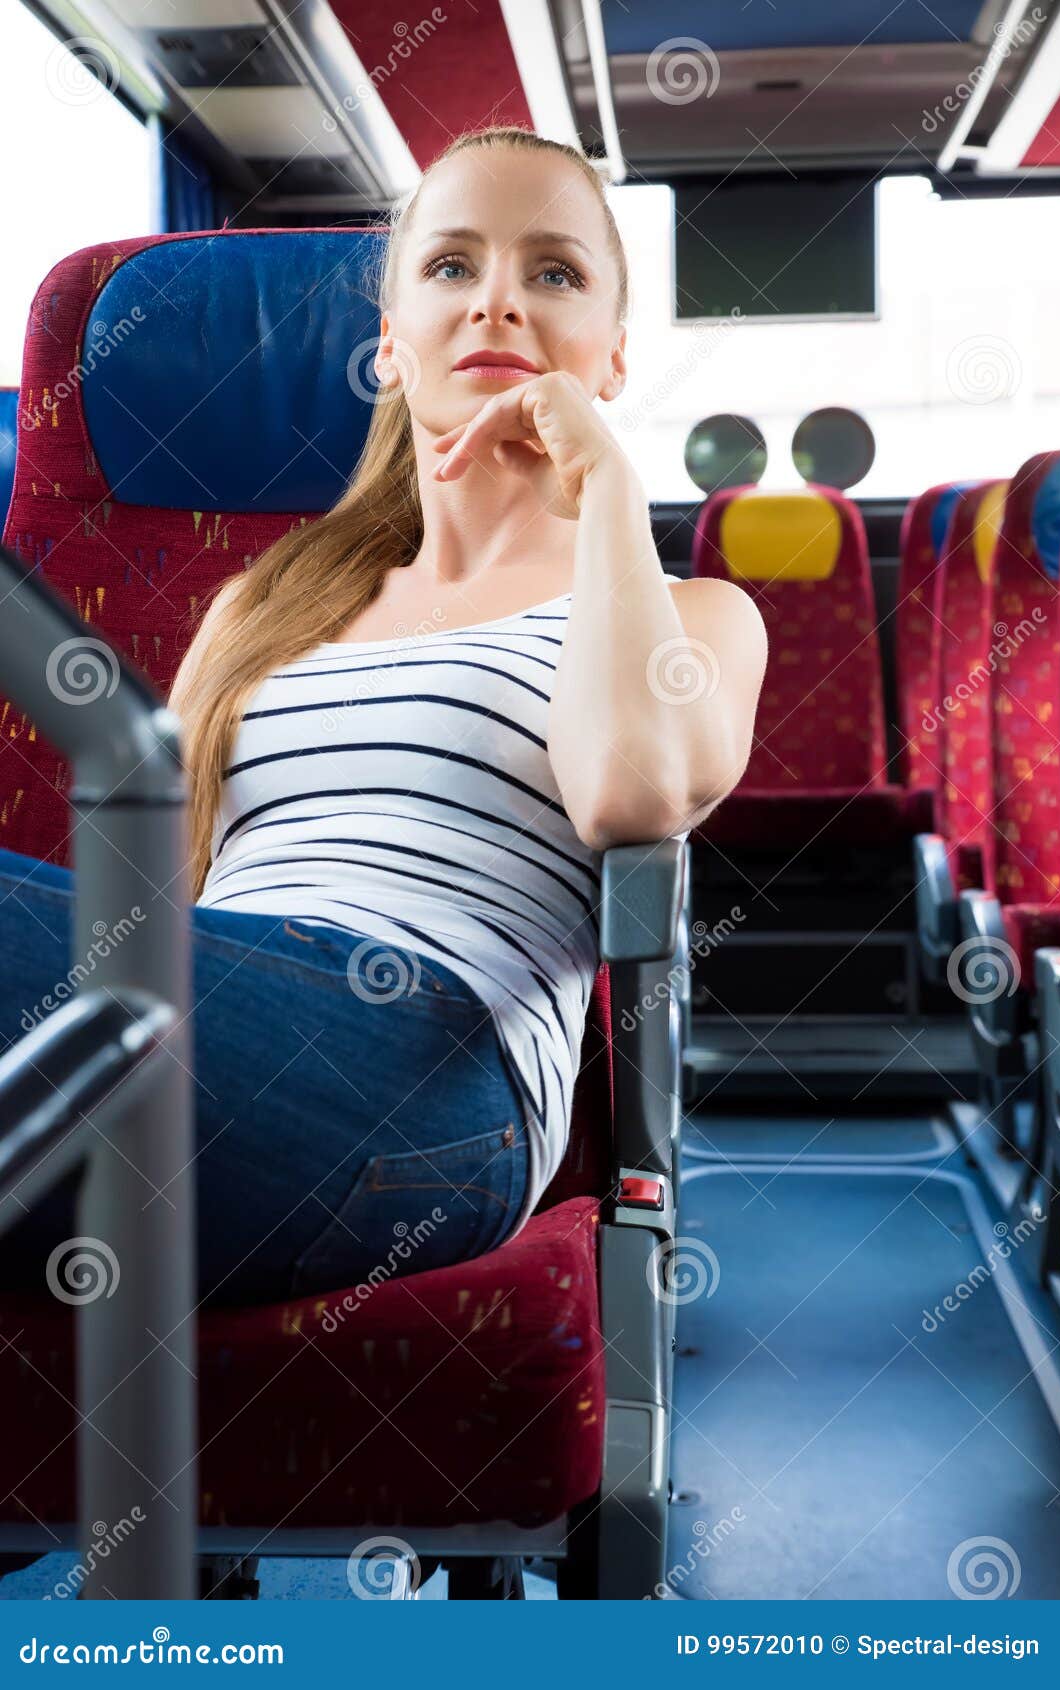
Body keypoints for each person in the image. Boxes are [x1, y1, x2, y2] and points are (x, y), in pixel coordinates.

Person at [0, 124, 766, 1308]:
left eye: (553, 274)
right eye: (452, 268)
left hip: (435, 1080)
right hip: (213, 1034)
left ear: (614, 356)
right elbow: (173, 889)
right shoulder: (266, 604)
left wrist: (607, 487)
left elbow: (632, 791)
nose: (497, 305)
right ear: (391, 347)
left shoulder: (694, 615)